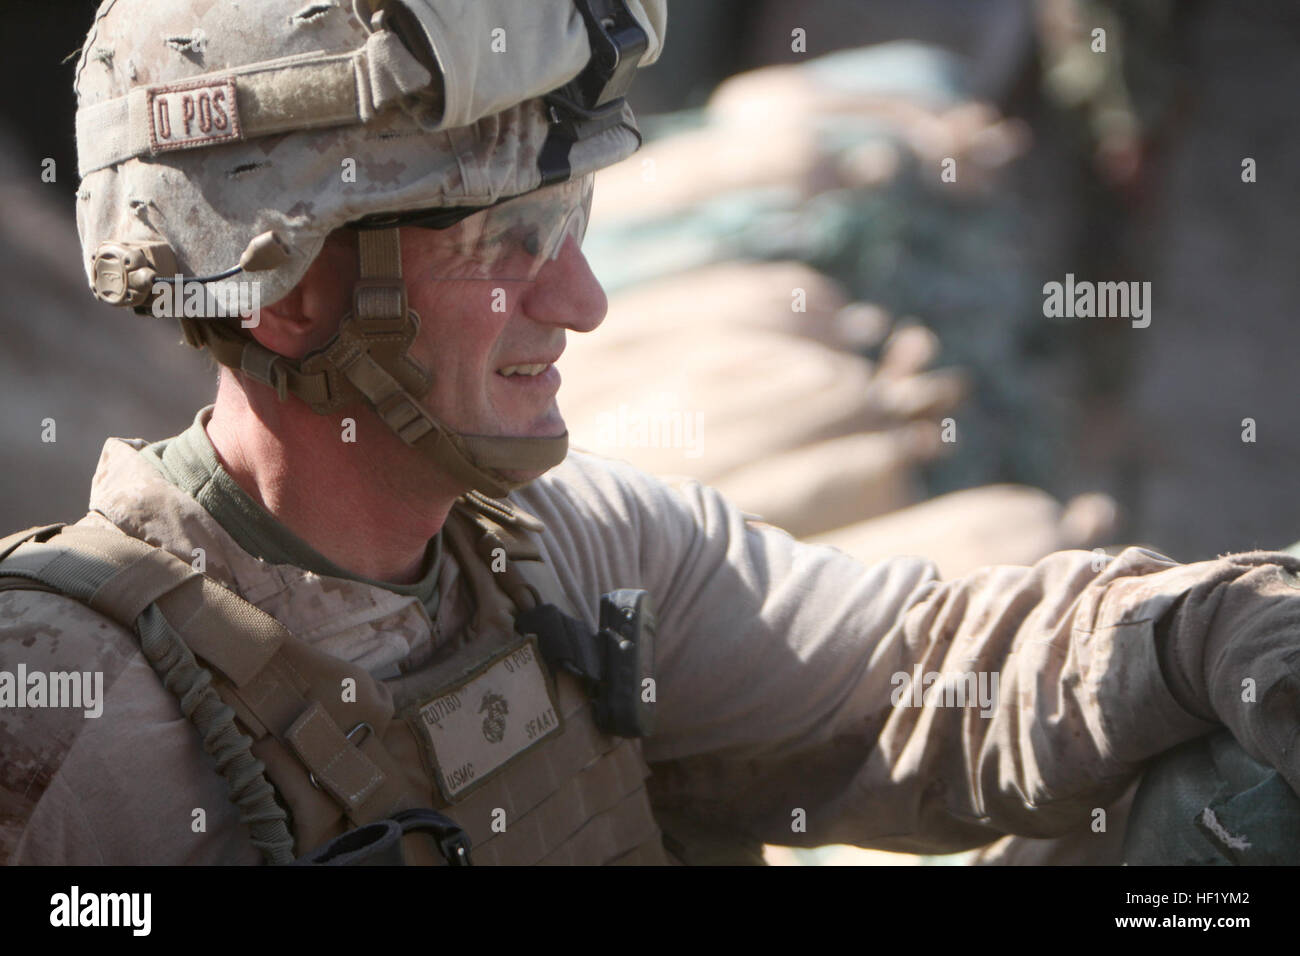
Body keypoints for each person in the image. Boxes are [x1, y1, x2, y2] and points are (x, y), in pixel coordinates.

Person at [2, 0, 1299, 866]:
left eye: (565, 229)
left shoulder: (571, 560)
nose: (580, 301)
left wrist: (1207, 635)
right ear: (288, 295)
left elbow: (927, 676)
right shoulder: (62, 703)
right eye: (503, 245)